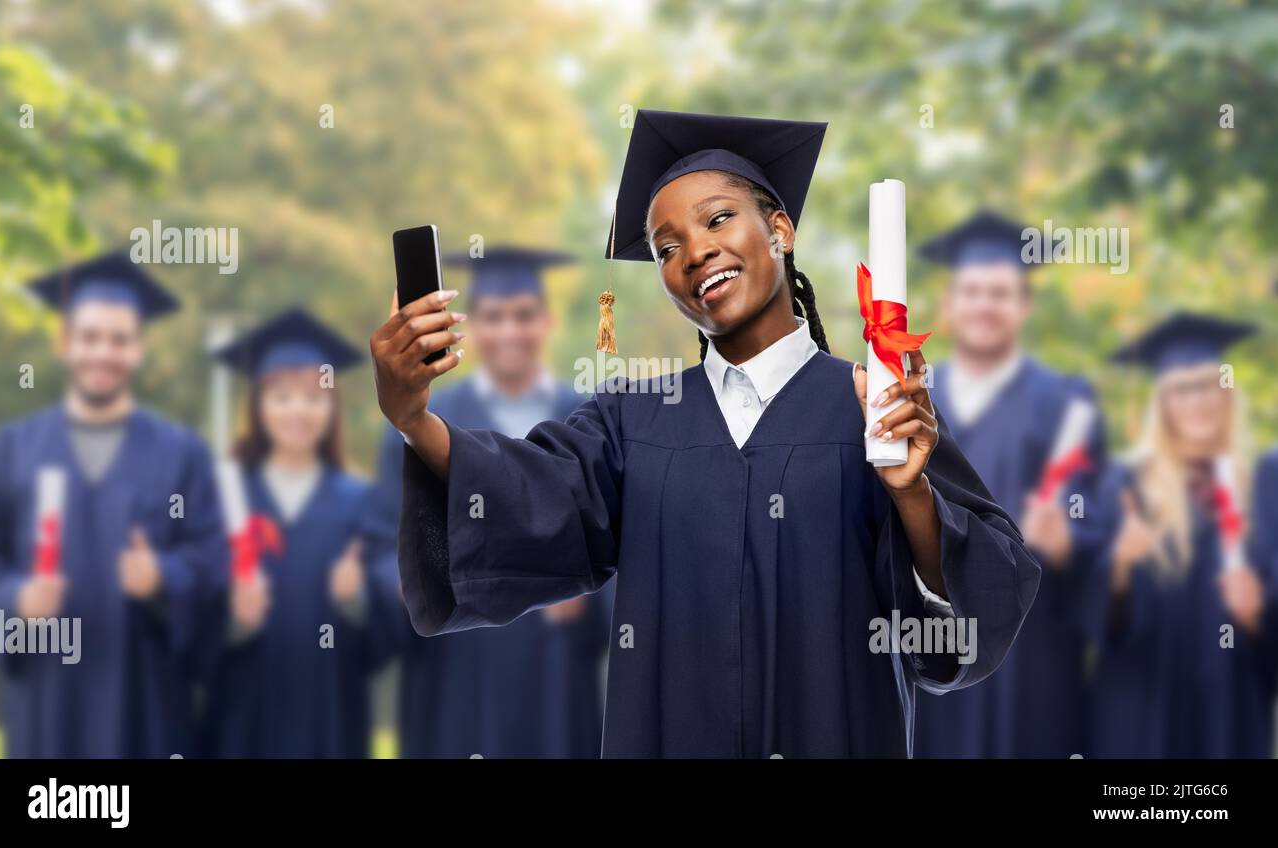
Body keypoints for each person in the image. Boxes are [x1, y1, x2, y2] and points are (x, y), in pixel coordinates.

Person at [371, 109, 1042, 758]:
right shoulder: (633, 419)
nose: (695, 252)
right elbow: (527, 496)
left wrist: (912, 493)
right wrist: (412, 417)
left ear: (780, 227)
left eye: (719, 218)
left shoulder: (877, 404)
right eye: (666, 248)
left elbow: (969, 618)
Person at [0, 252, 226, 758]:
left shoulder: (182, 455)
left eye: (119, 339)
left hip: (150, 713)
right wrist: (15, 601)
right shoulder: (12, 451)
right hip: (46, 716)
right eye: (89, 337)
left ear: (139, 347)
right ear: (65, 343)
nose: (104, 353)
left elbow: (215, 566)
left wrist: (163, 577)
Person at [371, 246, 610, 758]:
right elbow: (377, 538)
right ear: (472, 326)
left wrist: (591, 597)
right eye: (494, 317)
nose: (509, 331)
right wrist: (402, 582)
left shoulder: (589, 420)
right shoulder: (423, 420)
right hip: (455, 674)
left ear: (546, 322)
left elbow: (626, 543)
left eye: (523, 315)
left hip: (556, 677)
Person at [910, 211, 1115, 758]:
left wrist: (1071, 537)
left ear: (1023, 306)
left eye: (1000, 292)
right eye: (971, 291)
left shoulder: (1067, 403)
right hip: (938, 638)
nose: (984, 305)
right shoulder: (909, 400)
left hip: (1036, 649)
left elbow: (1102, 524)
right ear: (950, 304)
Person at [200, 308, 394, 757]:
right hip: (239, 721)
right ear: (258, 405)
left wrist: (356, 600)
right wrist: (232, 619)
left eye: (314, 397)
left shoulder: (361, 503)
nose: (298, 411)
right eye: (282, 396)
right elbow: (188, 624)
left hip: (329, 719)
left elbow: (387, 639)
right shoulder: (223, 499)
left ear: (332, 407)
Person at [1088, 312, 1276, 757]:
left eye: (1209, 385)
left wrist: (1255, 617)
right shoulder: (1125, 483)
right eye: (1181, 390)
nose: (1197, 401)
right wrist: (1118, 567)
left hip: (1230, 714)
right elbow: (1090, 621)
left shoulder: (1266, 484)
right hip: (1139, 710)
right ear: (1163, 403)